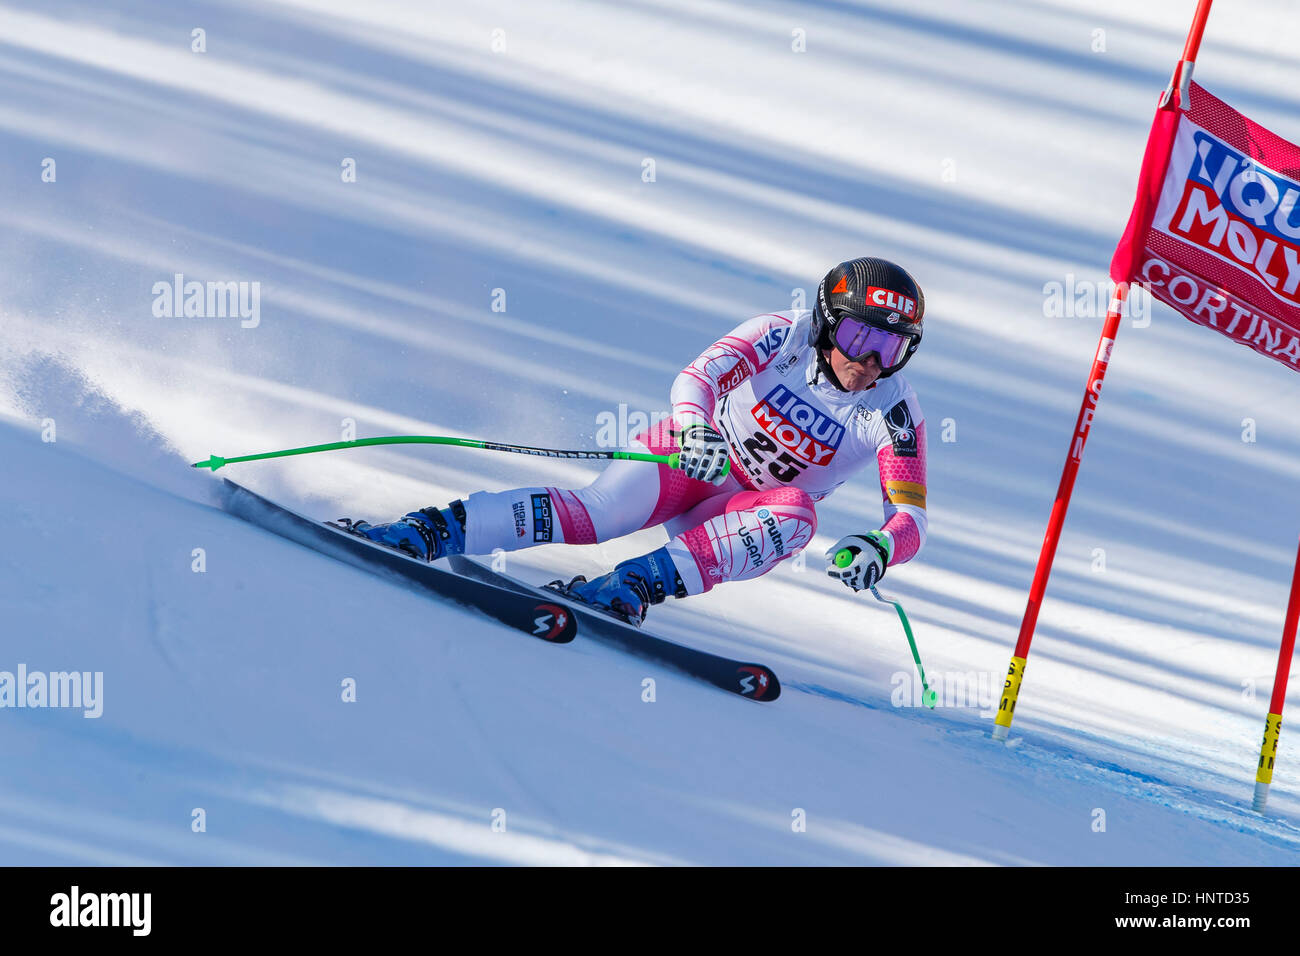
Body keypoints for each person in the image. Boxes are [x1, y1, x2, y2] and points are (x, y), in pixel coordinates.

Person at [350, 256, 929, 624]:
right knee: (594, 516)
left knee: (798, 515)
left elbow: (911, 517)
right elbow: (697, 376)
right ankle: (430, 529)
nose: (871, 362)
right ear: (829, 321)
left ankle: (629, 587)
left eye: (894, 348)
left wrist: (882, 548)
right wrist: (694, 425)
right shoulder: (784, 335)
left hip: (738, 514)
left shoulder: (895, 411)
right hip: (692, 462)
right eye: (859, 336)